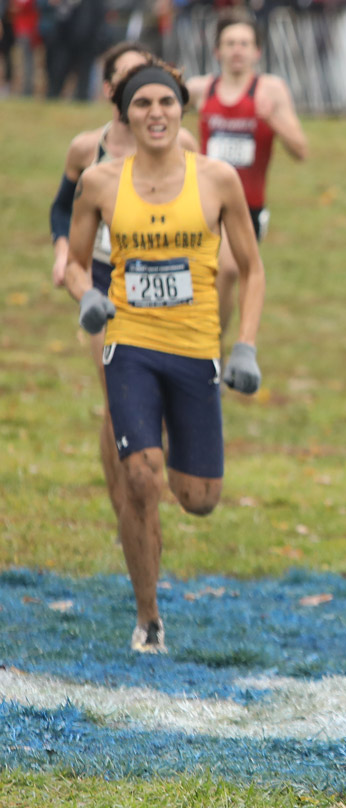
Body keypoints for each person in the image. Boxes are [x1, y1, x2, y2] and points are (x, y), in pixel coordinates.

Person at [65, 59, 264, 653]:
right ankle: (148, 617)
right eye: (142, 104)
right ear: (124, 112)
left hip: (196, 347)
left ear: (183, 110)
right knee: (140, 477)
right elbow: (75, 263)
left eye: (166, 103)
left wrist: (246, 345)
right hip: (129, 345)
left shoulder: (218, 179)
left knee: (199, 499)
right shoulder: (101, 182)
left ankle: (165, 450)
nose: (155, 113)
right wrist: (88, 296)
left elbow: (252, 269)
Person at [51, 44, 201, 545]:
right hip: (103, 278)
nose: (145, 90)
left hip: (164, 280)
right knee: (118, 397)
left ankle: (149, 483)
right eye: (128, 78)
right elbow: (61, 208)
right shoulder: (85, 148)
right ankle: (128, 507)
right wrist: (61, 254)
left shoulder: (183, 144)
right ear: (112, 90)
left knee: (153, 401)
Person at [188, 8, 308, 341]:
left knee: (228, 271)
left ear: (257, 51)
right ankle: (208, 346)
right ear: (218, 51)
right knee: (218, 272)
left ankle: (212, 344)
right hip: (204, 205)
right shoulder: (201, 89)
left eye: (244, 43)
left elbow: (301, 150)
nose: (237, 50)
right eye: (230, 43)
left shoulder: (270, 90)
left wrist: (273, 120)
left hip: (246, 207)